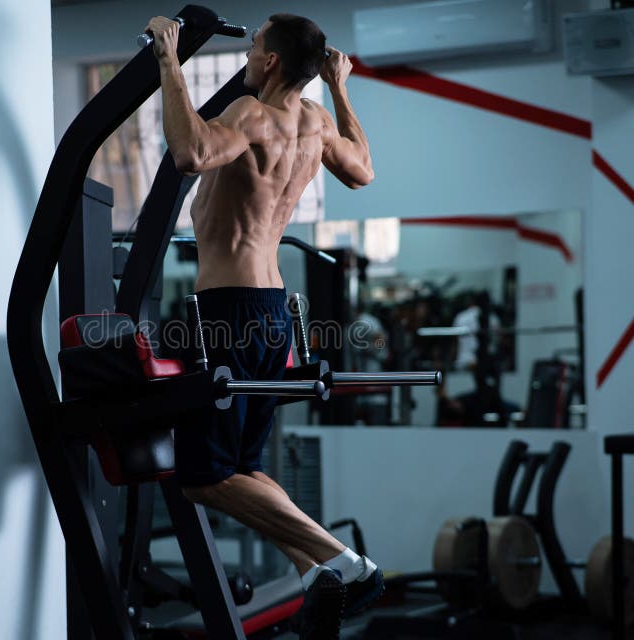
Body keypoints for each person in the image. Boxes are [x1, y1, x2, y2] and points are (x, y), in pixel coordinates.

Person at [146, 14, 381, 638]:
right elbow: (362, 171)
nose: (249, 56)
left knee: (200, 477)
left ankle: (343, 560)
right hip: (274, 310)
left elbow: (190, 151)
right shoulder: (315, 123)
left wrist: (169, 59)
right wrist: (339, 86)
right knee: (244, 468)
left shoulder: (253, 115)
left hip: (231, 309)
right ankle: (314, 573)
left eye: (253, 47)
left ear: (271, 62)